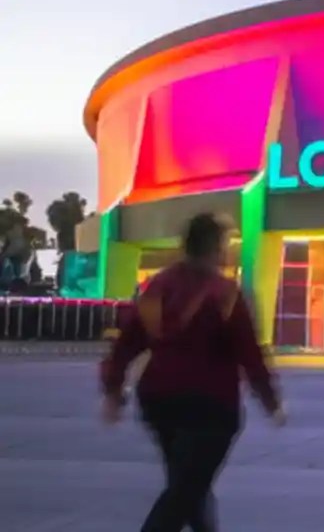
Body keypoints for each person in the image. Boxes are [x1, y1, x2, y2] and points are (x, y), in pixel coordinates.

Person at [100, 212, 285, 532]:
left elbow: (128, 341)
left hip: (158, 400)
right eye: (226, 244)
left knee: (188, 481)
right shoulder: (224, 293)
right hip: (211, 405)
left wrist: (114, 389)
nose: (228, 252)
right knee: (186, 489)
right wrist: (270, 401)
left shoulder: (158, 286)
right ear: (215, 247)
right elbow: (249, 353)